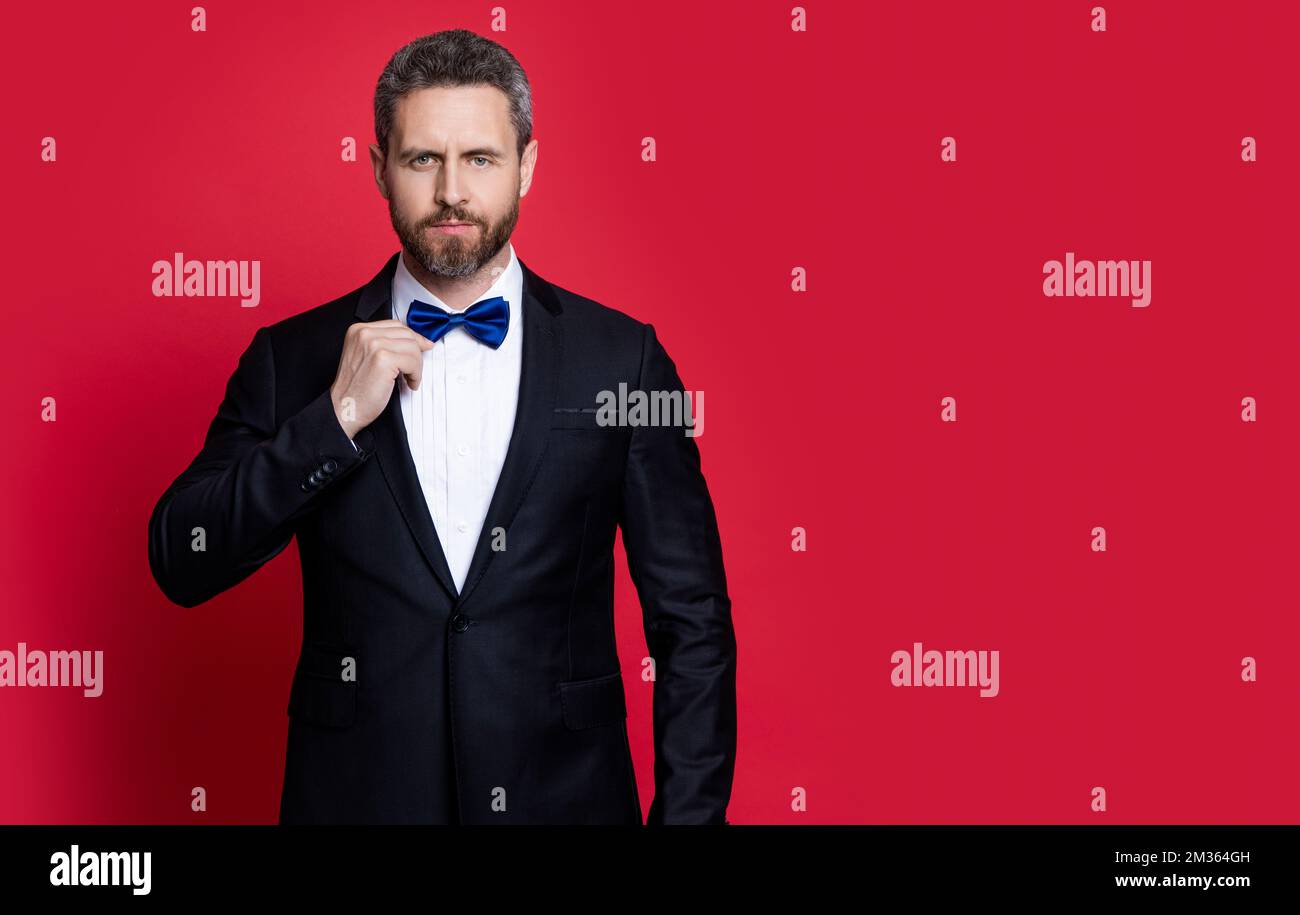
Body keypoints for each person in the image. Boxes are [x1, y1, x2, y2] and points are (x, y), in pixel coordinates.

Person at [146, 28, 736, 825]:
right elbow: (183, 559)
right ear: (379, 166)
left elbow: (692, 619)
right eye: (423, 159)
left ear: (526, 164)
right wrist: (335, 420)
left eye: (481, 159)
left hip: (566, 803)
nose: (452, 190)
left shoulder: (624, 360)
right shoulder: (292, 360)